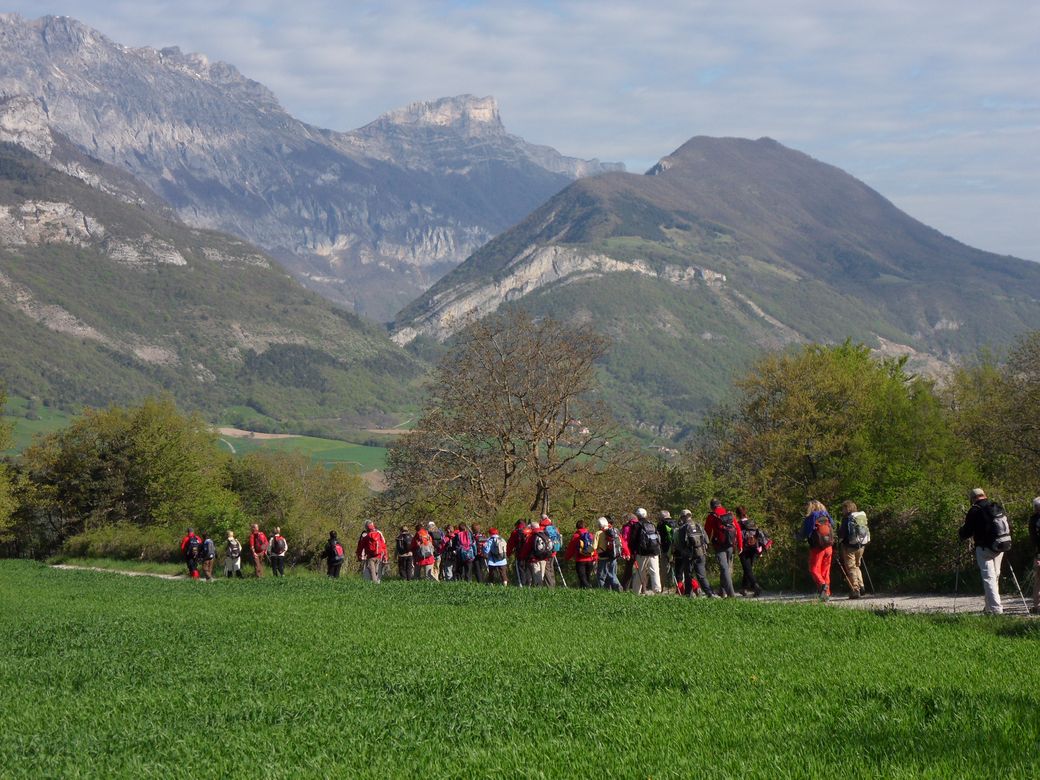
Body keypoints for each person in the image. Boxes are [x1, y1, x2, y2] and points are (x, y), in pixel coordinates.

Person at [958, 488, 1012, 615]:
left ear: (972, 499)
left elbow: (967, 532)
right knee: (996, 576)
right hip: (1000, 546)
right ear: (984, 495)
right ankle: (989, 606)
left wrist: (960, 533)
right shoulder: (996, 506)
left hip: (984, 548)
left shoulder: (975, 510)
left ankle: (995, 609)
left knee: (989, 578)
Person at [673, 509, 715, 597]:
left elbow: (680, 544)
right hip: (700, 553)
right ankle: (710, 593)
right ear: (690, 515)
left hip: (688, 555)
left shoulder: (682, 528)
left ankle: (688, 594)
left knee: (688, 575)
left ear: (683, 517)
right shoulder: (699, 525)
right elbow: (706, 540)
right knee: (702, 576)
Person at [705, 499, 742, 597]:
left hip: (719, 546)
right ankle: (722, 590)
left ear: (712, 507)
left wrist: (706, 544)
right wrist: (740, 545)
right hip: (730, 545)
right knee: (725, 568)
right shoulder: (729, 514)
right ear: (720, 505)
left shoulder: (711, 516)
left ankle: (731, 594)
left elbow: (707, 532)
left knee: (724, 568)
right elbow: (737, 529)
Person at [799, 500, 834, 600]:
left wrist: (797, 536)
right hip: (828, 547)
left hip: (817, 548)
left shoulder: (810, 517)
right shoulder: (827, 516)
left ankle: (823, 585)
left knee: (814, 569)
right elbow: (833, 526)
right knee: (825, 571)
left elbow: (804, 534)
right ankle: (826, 593)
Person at [837, 500, 870, 599]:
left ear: (847, 508)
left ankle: (855, 590)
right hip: (861, 545)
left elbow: (842, 533)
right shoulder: (859, 516)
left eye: (843, 508)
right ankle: (862, 586)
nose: (842, 511)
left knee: (851, 567)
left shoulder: (847, 518)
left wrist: (838, 536)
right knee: (857, 566)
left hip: (849, 546)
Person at [629, 507, 662, 595]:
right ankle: (657, 590)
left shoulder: (636, 525)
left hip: (642, 553)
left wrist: (632, 552)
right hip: (654, 552)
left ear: (637, 516)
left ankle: (636, 591)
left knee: (640, 571)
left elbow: (632, 540)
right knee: (655, 571)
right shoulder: (652, 524)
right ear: (646, 515)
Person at [735, 507, 763, 597]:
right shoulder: (752, 522)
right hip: (754, 547)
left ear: (737, 514)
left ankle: (756, 586)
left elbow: (737, 536)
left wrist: (737, 547)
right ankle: (743, 588)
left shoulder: (738, 524)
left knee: (747, 569)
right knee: (747, 568)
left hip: (744, 548)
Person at [564, 520, 597, 588]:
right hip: (590, 560)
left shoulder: (576, 536)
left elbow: (571, 548)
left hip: (580, 560)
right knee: (587, 577)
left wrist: (567, 557)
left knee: (582, 578)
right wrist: (595, 557)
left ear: (577, 527)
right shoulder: (590, 535)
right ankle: (585, 593)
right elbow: (593, 547)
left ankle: (588, 588)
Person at [521, 519, 554, 586]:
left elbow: (526, 549)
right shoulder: (545, 534)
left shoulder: (532, 536)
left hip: (534, 560)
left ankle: (538, 591)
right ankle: (541, 591)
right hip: (544, 558)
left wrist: (522, 557)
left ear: (532, 528)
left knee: (536, 577)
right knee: (541, 576)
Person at [595, 517, 623, 591]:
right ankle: (617, 585)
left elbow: (594, 546)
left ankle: (603, 590)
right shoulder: (614, 531)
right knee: (612, 573)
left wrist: (589, 552)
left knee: (601, 575)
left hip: (603, 557)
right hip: (613, 556)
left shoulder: (599, 533)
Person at [619, 513, 640, 590]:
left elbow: (624, 540)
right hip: (640, 551)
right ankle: (642, 588)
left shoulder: (627, 527)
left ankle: (625, 588)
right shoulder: (640, 525)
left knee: (628, 570)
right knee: (640, 570)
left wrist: (625, 552)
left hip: (630, 551)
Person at [657, 510, 676, 587]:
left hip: (665, 549)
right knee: (677, 568)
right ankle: (676, 585)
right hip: (676, 548)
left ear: (662, 517)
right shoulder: (676, 523)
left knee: (664, 568)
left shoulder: (661, 524)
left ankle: (662, 586)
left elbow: (658, 537)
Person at [542, 516, 562, 587]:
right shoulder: (554, 528)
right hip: (554, 551)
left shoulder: (542, 528)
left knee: (547, 569)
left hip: (546, 552)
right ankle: (553, 584)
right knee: (551, 567)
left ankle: (549, 586)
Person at [507, 520, 528, 586]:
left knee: (520, 569)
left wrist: (508, 554)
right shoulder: (529, 531)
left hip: (519, 554)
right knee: (528, 569)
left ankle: (522, 584)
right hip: (530, 554)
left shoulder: (515, 532)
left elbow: (510, 545)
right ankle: (529, 584)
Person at [1030, 497, 1040, 613]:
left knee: (1038, 580)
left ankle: (1037, 606)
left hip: (1039, 554)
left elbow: (1035, 540)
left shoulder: (1034, 520)